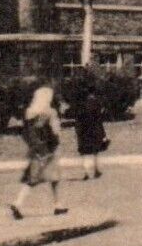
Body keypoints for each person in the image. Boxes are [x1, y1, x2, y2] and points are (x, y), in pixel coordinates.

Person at [11, 85, 66, 219]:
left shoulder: (30, 113)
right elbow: (55, 131)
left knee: (32, 178)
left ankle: (19, 203)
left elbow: (26, 132)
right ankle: (56, 205)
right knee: (54, 178)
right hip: (49, 149)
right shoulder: (50, 112)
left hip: (35, 149)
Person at [71, 73, 108, 180]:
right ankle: (96, 170)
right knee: (95, 151)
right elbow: (99, 118)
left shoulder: (80, 104)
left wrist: (77, 131)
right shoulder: (97, 103)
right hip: (94, 129)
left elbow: (77, 118)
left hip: (83, 130)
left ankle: (87, 172)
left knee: (84, 151)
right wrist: (103, 133)